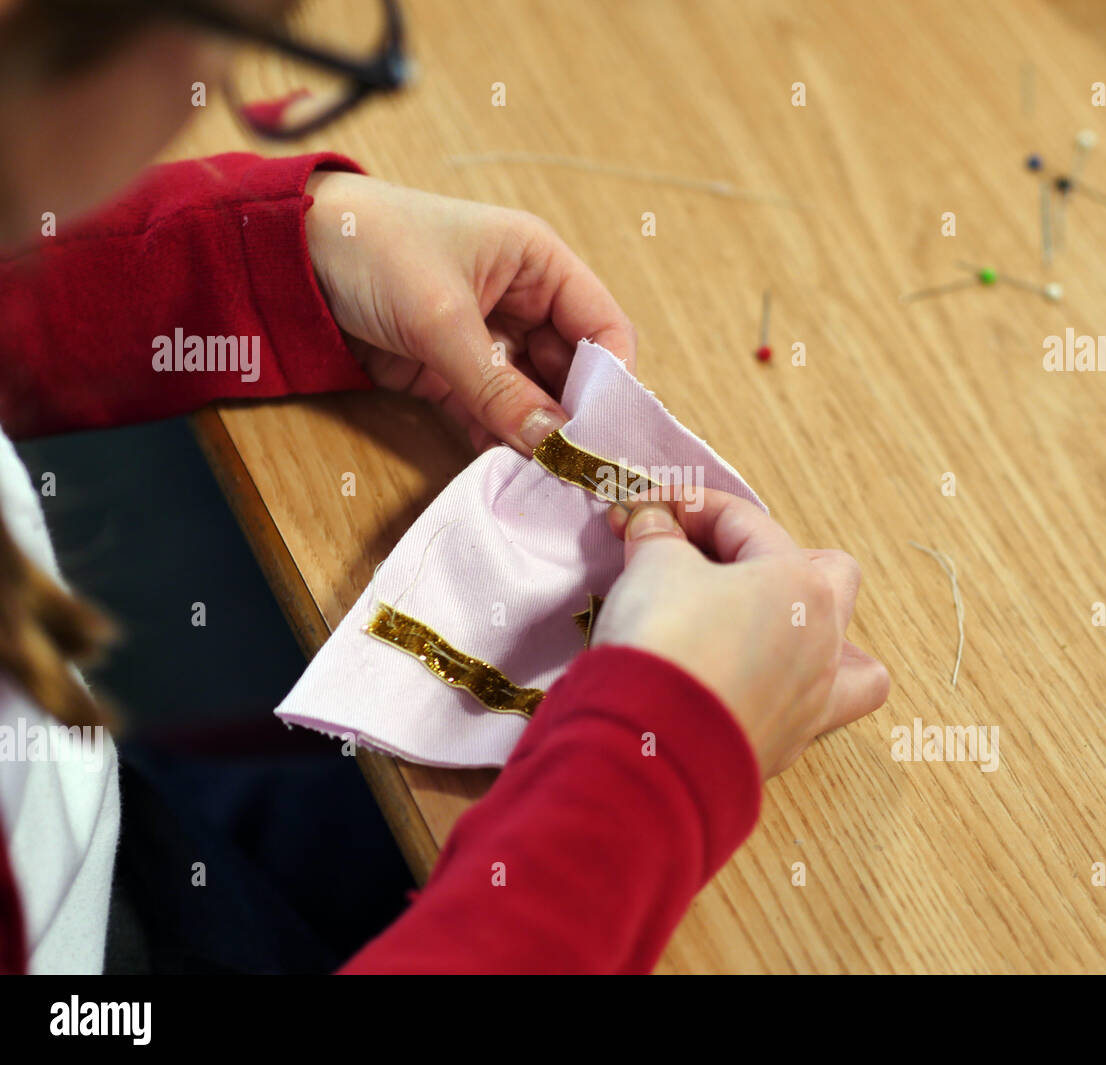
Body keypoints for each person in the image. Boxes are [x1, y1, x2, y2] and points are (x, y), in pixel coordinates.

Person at [0, 0, 889, 974]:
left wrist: (267, 261)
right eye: (247, 43)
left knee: (319, 823)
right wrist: (662, 762)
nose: (211, 91)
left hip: (103, 822)